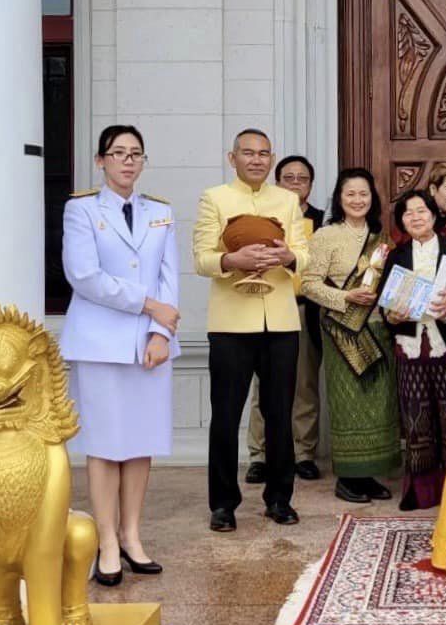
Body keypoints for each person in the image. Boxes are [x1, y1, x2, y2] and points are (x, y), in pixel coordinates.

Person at [59, 125, 178, 585]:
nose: (128, 161)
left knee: (140, 442)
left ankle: (131, 535)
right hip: (100, 343)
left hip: (150, 342)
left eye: (135, 154)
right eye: (118, 153)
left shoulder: (161, 212)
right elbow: (83, 275)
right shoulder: (82, 209)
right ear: (100, 160)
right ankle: (106, 540)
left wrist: (159, 332)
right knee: (106, 446)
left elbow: (168, 277)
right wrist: (149, 305)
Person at [194, 128, 310, 532]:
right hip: (230, 323)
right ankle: (223, 503)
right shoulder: (215, 198)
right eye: (248, 153)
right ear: (233, 158)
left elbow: (305, 255)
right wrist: (233, 259)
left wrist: (289, 255)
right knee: (226, 415)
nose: (257, 160)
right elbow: (201, 259)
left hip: (280, 320)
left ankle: (279, 498)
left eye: (263, 153)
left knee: (279, 413)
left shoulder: (288, 200)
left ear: (271, 157)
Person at [302, 169, 402, 503]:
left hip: (378, 329)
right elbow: (309, 284)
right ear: (339, 199)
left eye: (364, 194)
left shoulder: (381, 238)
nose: (358, 200)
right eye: (350, 194)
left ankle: (369, 474)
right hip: (342, 331)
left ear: (372, 198)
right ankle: (347, 477)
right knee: (349, 402)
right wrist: (346, 298)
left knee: (378, 402)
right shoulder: (326, 236)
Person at [382, 189, 446, 510]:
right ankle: (421, 493)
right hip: (410, 344)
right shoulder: (396, 256)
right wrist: (391, 315)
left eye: (421, 211)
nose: (415, 217)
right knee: (415, 419)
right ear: (401, 221)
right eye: (408, 213)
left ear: (433, 214)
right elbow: (384, 302)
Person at [247, 155, 325, 484]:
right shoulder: (259, 217)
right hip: (265, 305)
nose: (295, 184)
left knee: (304, 384)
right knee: (262, 384)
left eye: (302, 178)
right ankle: (259, 455)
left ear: (310, 185)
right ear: (277, 182)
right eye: (288, 178)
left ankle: (303, 453)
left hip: (305, 308)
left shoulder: (322, 221)